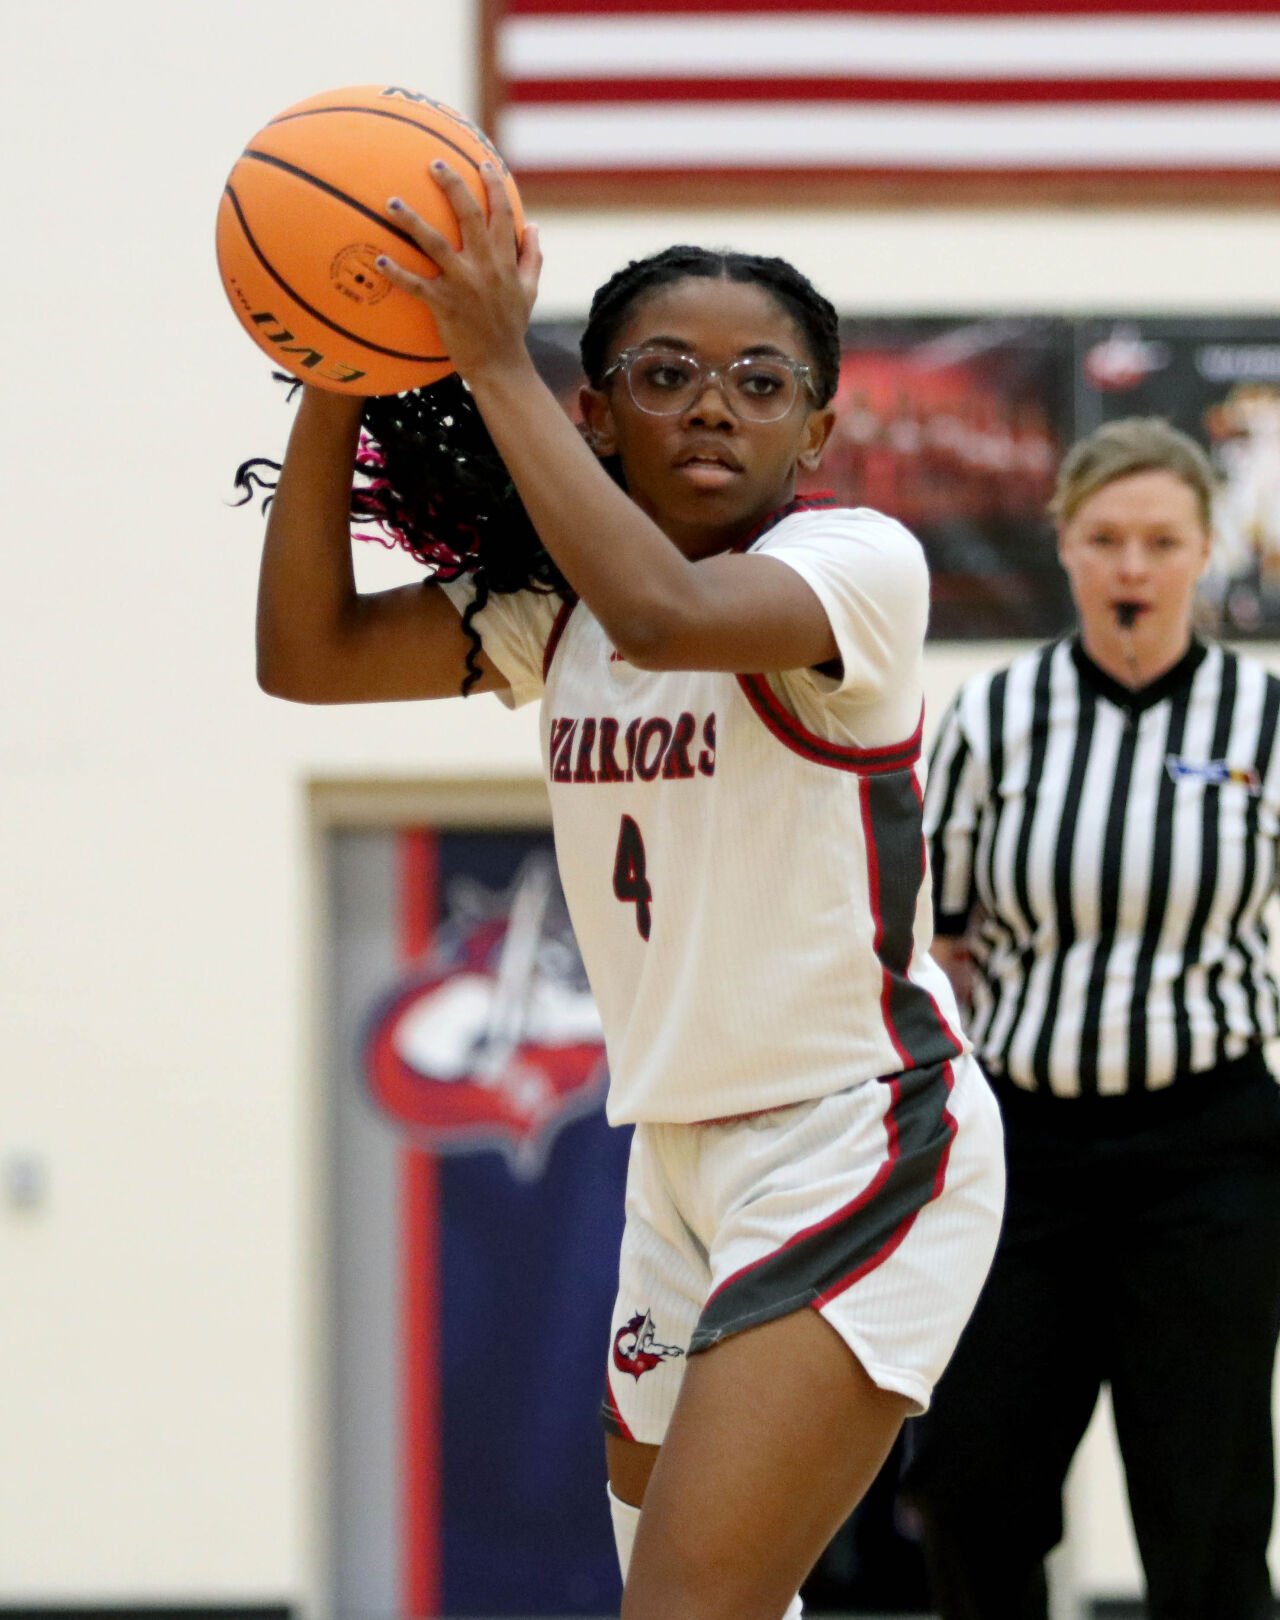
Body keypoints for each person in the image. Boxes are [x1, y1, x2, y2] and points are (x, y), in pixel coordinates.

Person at [247, 165, 1004, 1620]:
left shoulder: (854, 564)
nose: (715, 403)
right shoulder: (557, 615)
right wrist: (334, 380)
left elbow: (668, 619)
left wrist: (484, 357)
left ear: (819, 431)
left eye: (760, 381)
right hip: (677, 1160)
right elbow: (308, 654)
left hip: (860, 1130)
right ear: (592, 412)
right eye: (665, 374)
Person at [907, 417, 1280, 1620]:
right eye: (1106, 539)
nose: (1131, 567)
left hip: (1210, 1151)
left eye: (1159, 541)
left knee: (1205, 1508)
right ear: (1062, 545)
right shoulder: (987, 721)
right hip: (1025, 1156)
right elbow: (946, 942)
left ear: (1201, 552)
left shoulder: (1262, 724)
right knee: (974, 1489)